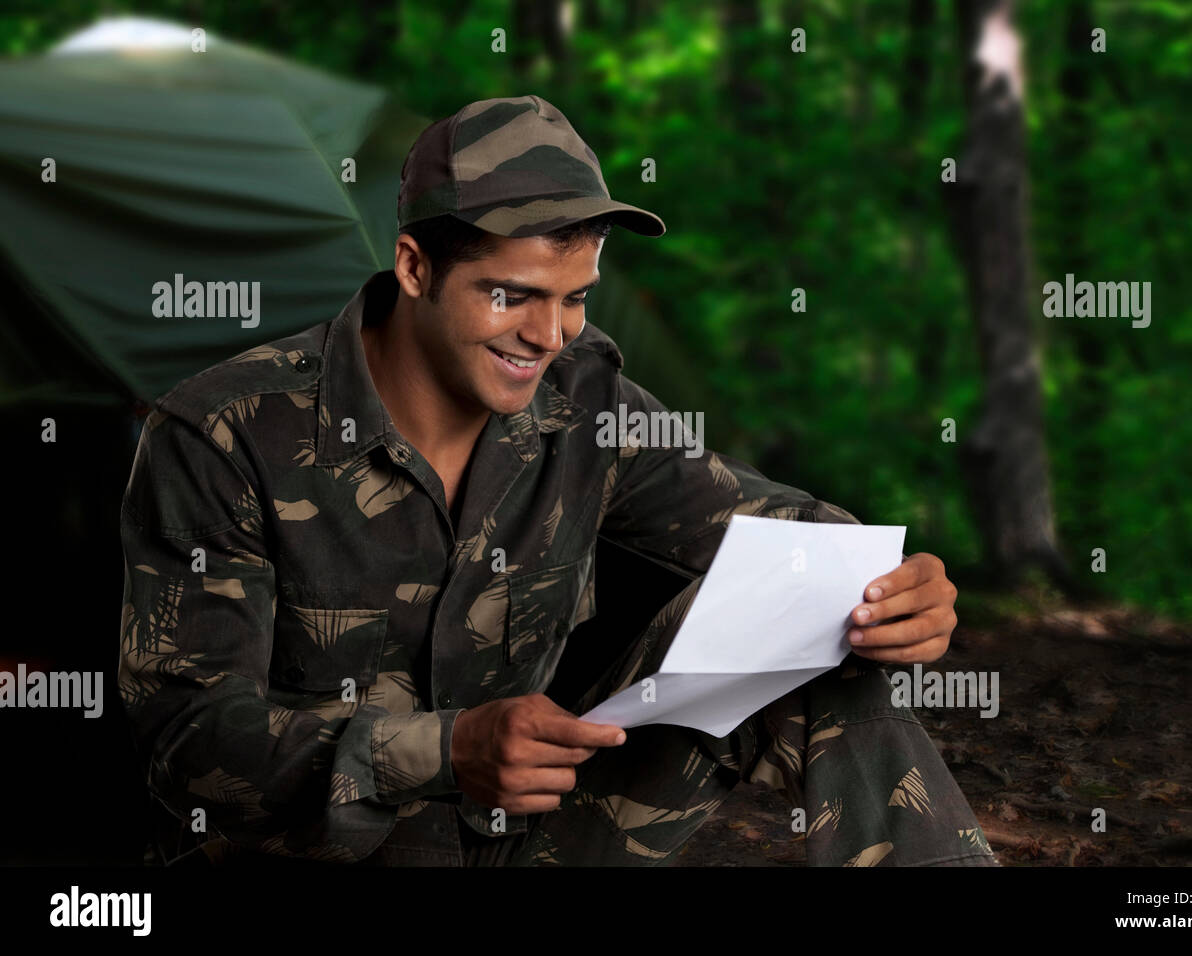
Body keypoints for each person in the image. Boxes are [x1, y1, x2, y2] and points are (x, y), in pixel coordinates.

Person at [118, 94, 996, 867]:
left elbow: (784, 532)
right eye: (512, 296)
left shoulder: (584, 400)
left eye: (576, 296)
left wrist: (893, 588)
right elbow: (187, 741)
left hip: (528, 841)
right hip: (311, 855)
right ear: (415, 267)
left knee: (821, 617)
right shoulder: (223, 433)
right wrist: (440, 750)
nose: (551, 334)